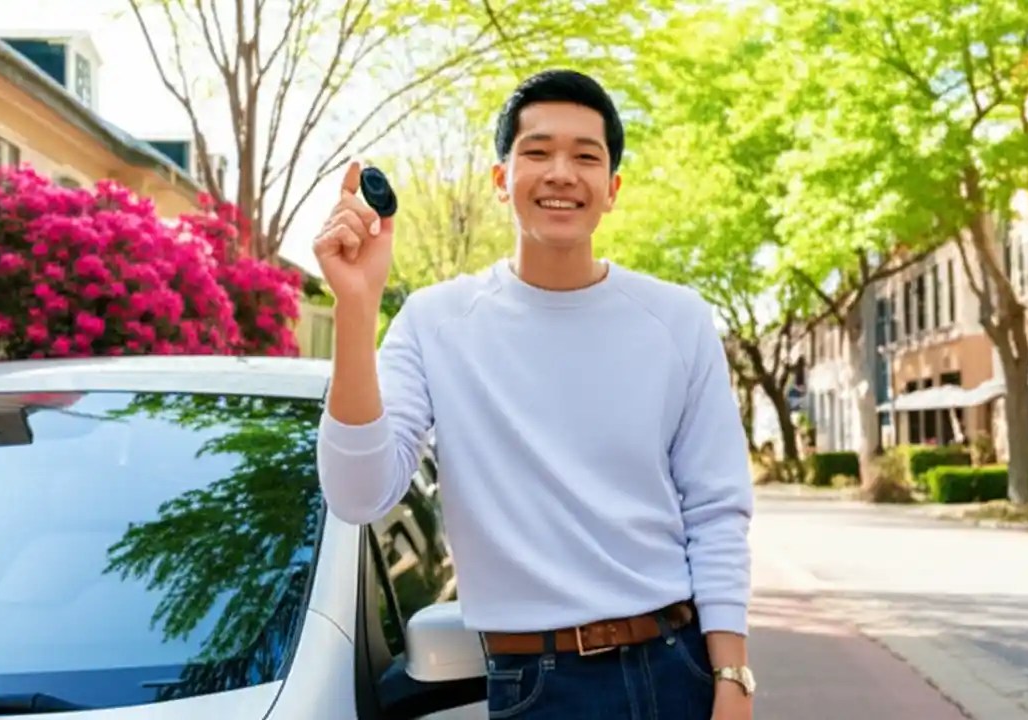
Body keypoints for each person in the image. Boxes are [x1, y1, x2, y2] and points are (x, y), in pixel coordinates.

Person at [313, 68, 755, 719]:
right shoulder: (436, 323)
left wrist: (732, 678)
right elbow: (358, 494)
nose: (561, 173)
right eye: (538, 152)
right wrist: (356, 306)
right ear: (501, 179)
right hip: (535, 686)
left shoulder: (677, 319)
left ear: (612, 189)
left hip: (677, 667)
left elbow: (716, 509)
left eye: (586, 156)